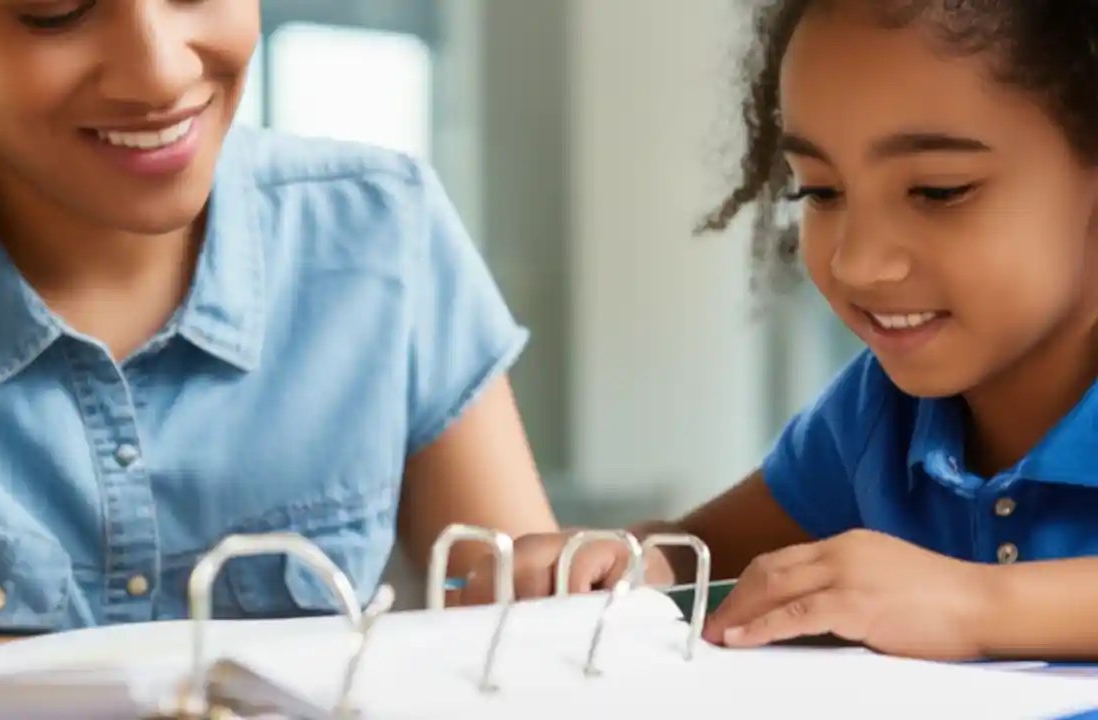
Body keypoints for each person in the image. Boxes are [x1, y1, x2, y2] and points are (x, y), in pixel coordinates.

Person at [0, 0, 558, 658]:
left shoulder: (384, 235)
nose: (160, 73)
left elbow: (528, 633)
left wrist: (592, 589)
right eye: (56, 14)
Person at [464, 0, 1098, 661]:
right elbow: (694, 554)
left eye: (939, 191)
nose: (857, 261)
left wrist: (974, 606)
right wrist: (619, 561)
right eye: (820, 191)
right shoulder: (874, 417)